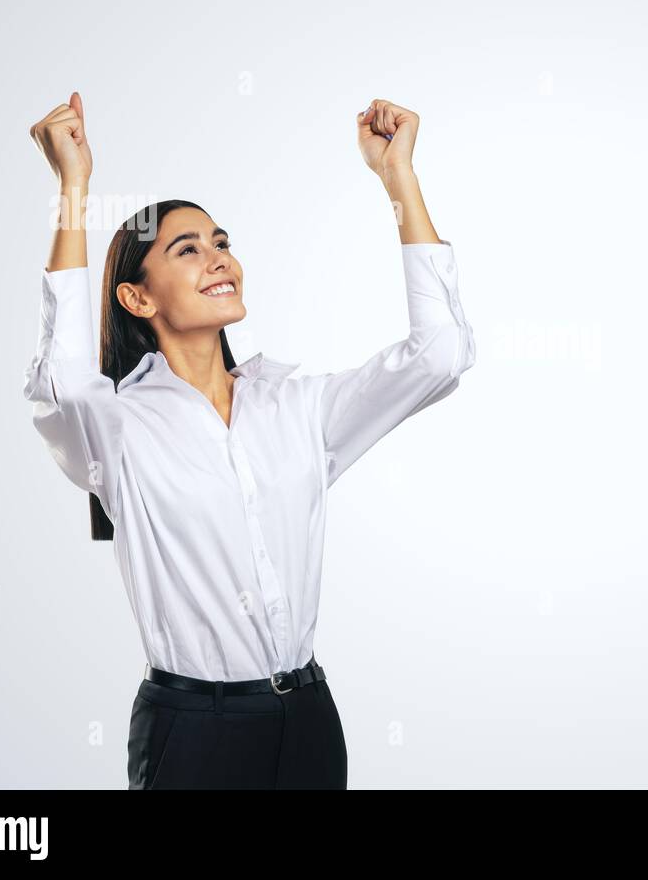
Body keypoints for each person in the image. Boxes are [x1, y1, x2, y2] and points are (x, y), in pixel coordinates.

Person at [23, 92, 476, 788]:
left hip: (309, 722)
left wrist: (399, 180)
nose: (218, 258)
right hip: (193, 731)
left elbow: (440, 354)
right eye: (188, 248)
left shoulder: (297, 406)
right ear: (138, 299)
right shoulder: (117, 426)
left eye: (222, 242)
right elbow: (60, 379)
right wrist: (73, 189)